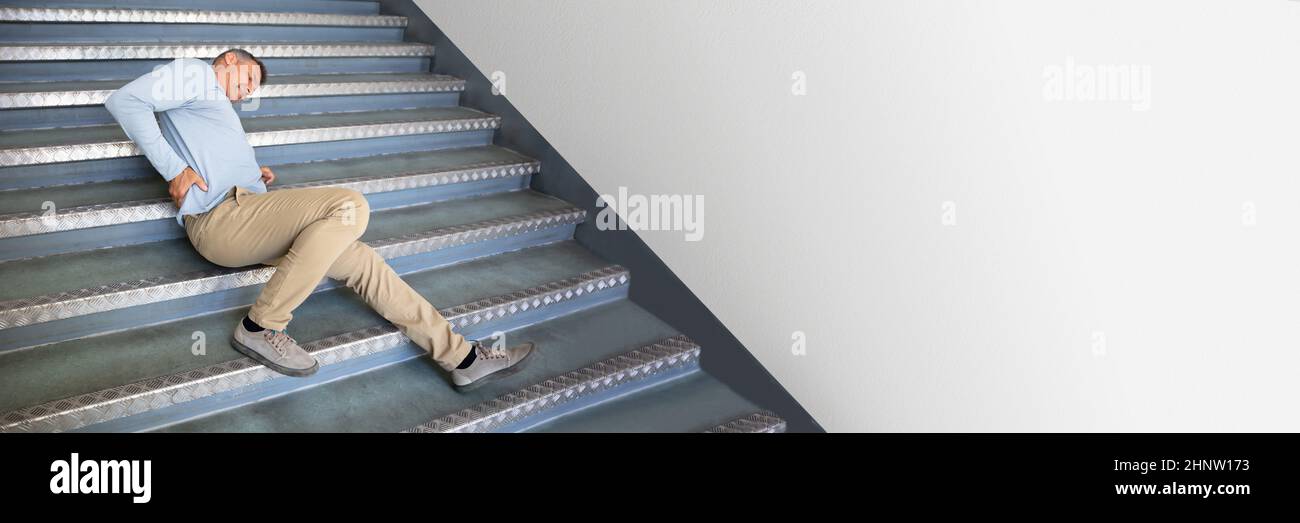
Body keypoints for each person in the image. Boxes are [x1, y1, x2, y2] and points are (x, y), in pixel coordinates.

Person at [104, 49, 532, 391]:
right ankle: (261, 325)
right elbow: (125, 100)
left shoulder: (212, 105)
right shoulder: (197, 73)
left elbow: (209, 154)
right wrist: (173, 169)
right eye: (248, 78)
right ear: (230, 60)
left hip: (246, 211)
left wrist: (253, 176)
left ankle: (462, 358)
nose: (245, 91)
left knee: (363, 262)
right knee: (350, 206)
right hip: (221, 219)